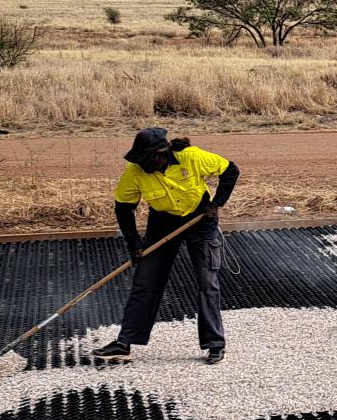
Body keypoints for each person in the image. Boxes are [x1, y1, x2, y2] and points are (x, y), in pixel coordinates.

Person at [90, 128, 239, 364]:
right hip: (163, 222)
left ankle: (215, 344)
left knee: (207, 282)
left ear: (162, 153)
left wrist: (216, 204)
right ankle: (124, 343)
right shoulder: (136, 171)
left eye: (146, 159)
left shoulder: (193, 157)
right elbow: (123, 208)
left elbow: (230, 170)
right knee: (145, 281)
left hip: (200, 219)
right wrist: (135, 244)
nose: (142, 165)